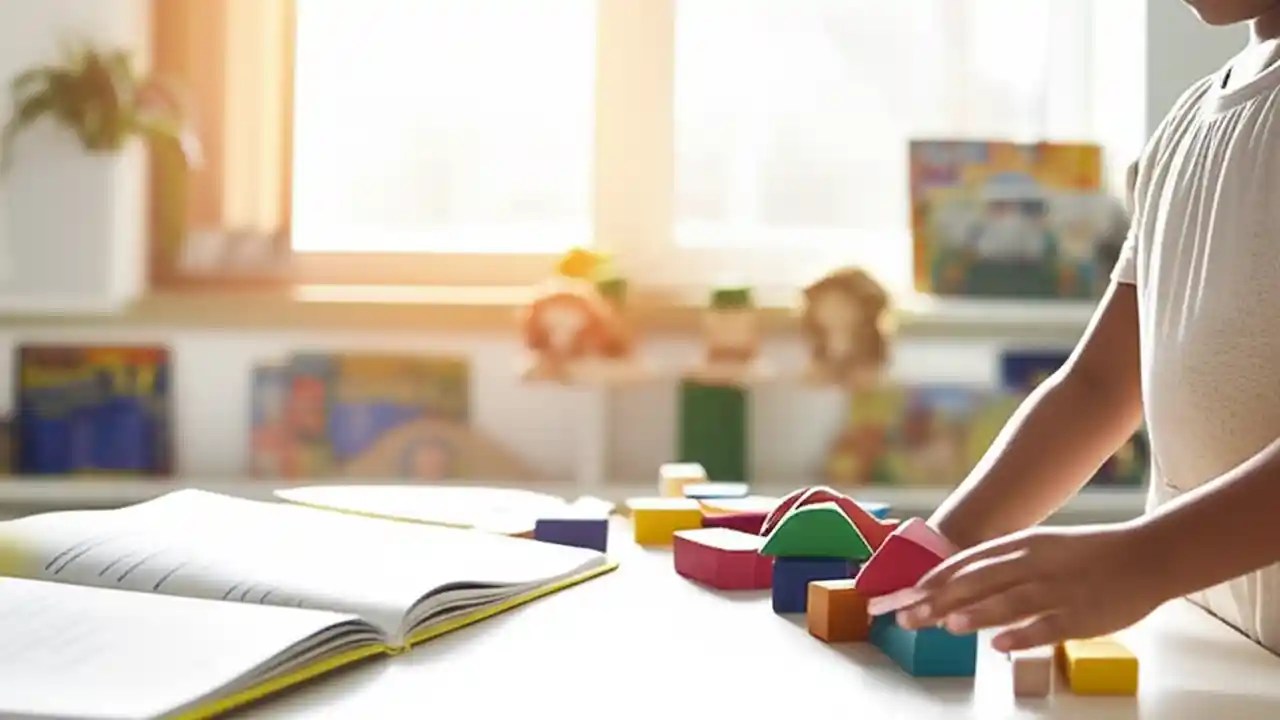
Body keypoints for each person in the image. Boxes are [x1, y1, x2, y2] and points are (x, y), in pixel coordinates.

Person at [884, 0, 1280, 654]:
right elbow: (1099, 386)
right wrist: (938, 549)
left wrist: (1144, 559)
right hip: (1216, 642)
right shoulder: (1184, 128)